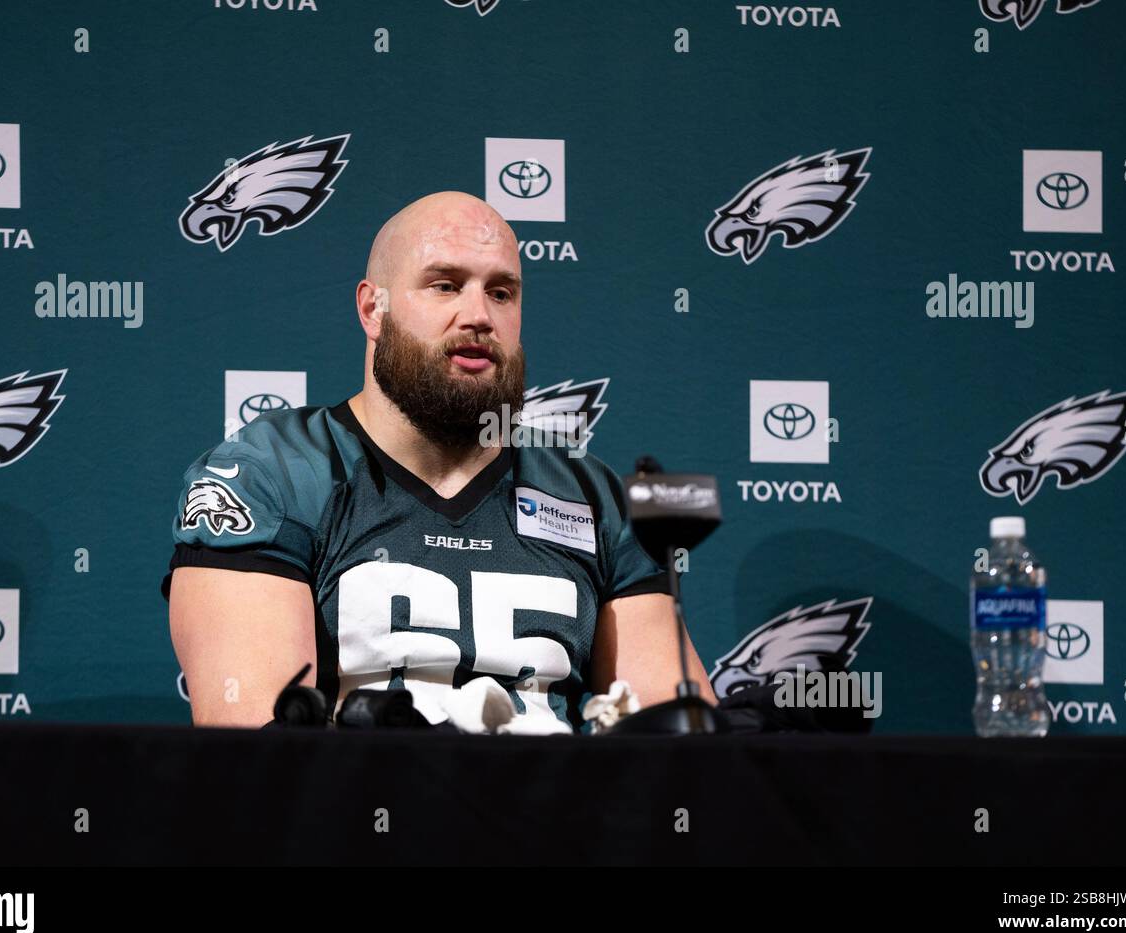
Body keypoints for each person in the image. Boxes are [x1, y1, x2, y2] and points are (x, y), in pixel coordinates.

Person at [164, 190, 715, 731]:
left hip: (557, 815)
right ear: (371, 308)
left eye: (501, 293)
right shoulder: (272, 473)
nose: (478, 315)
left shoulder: (590, 494)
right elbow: (257, 749)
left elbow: (676, 751)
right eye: (444, 285)